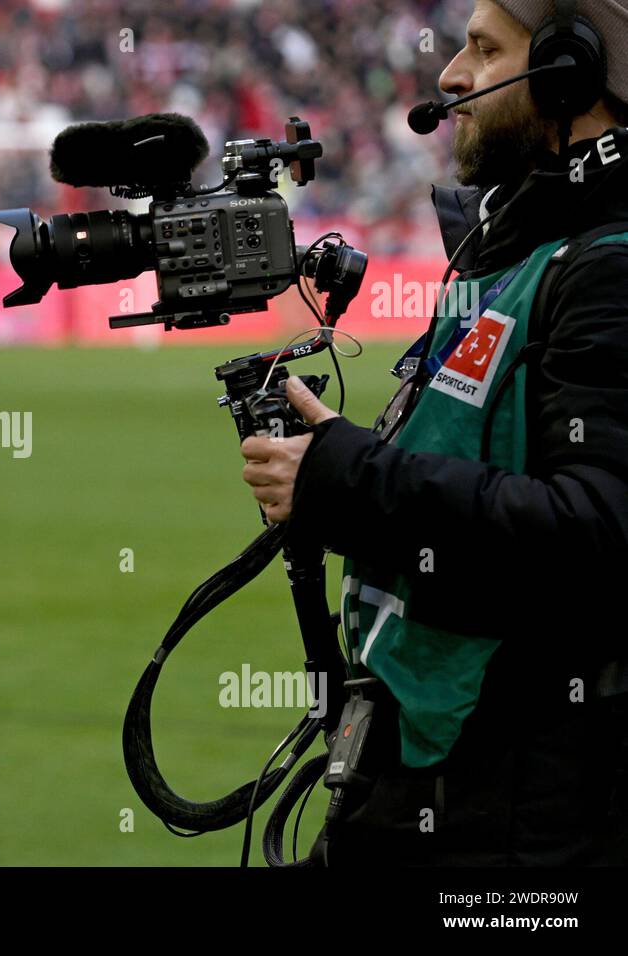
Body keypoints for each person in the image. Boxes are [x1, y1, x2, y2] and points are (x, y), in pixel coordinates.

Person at [239, 0, 628, 865]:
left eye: (485, 50)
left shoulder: (608, 265)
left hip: (523, 818)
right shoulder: (520, 251)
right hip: (436, 780)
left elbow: (600, 531)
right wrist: (336, 463)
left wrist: (350, 480)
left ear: (571, 72)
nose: (450, 74)